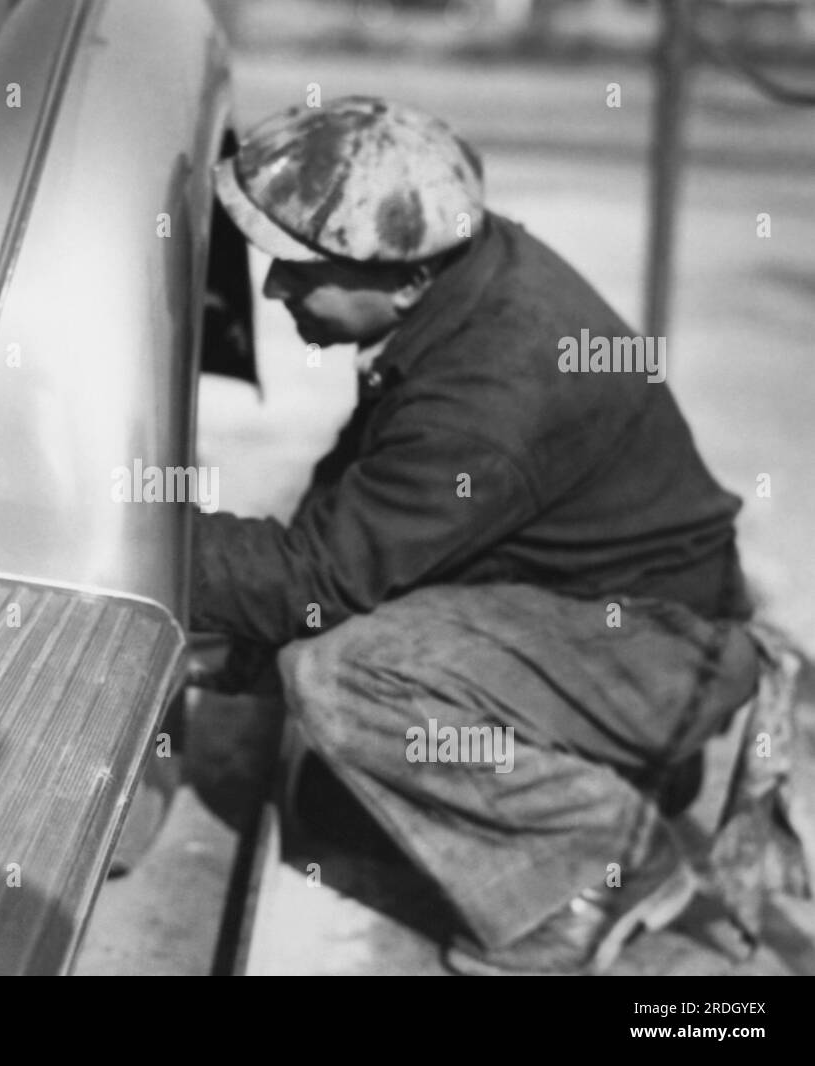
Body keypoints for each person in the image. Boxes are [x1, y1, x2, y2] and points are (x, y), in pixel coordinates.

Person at [191, 95, 761, 974]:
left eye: (303, 271)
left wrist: (139, 537)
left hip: (660, 651)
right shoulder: (460, 285)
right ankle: (609, 770)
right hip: (596, 622)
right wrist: (237, 640)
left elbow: (322, 583)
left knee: (342, 680)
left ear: (408, 277)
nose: (273, 288)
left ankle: (607, 862)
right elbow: (356, 514)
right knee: (338, 796)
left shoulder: (490, 394)